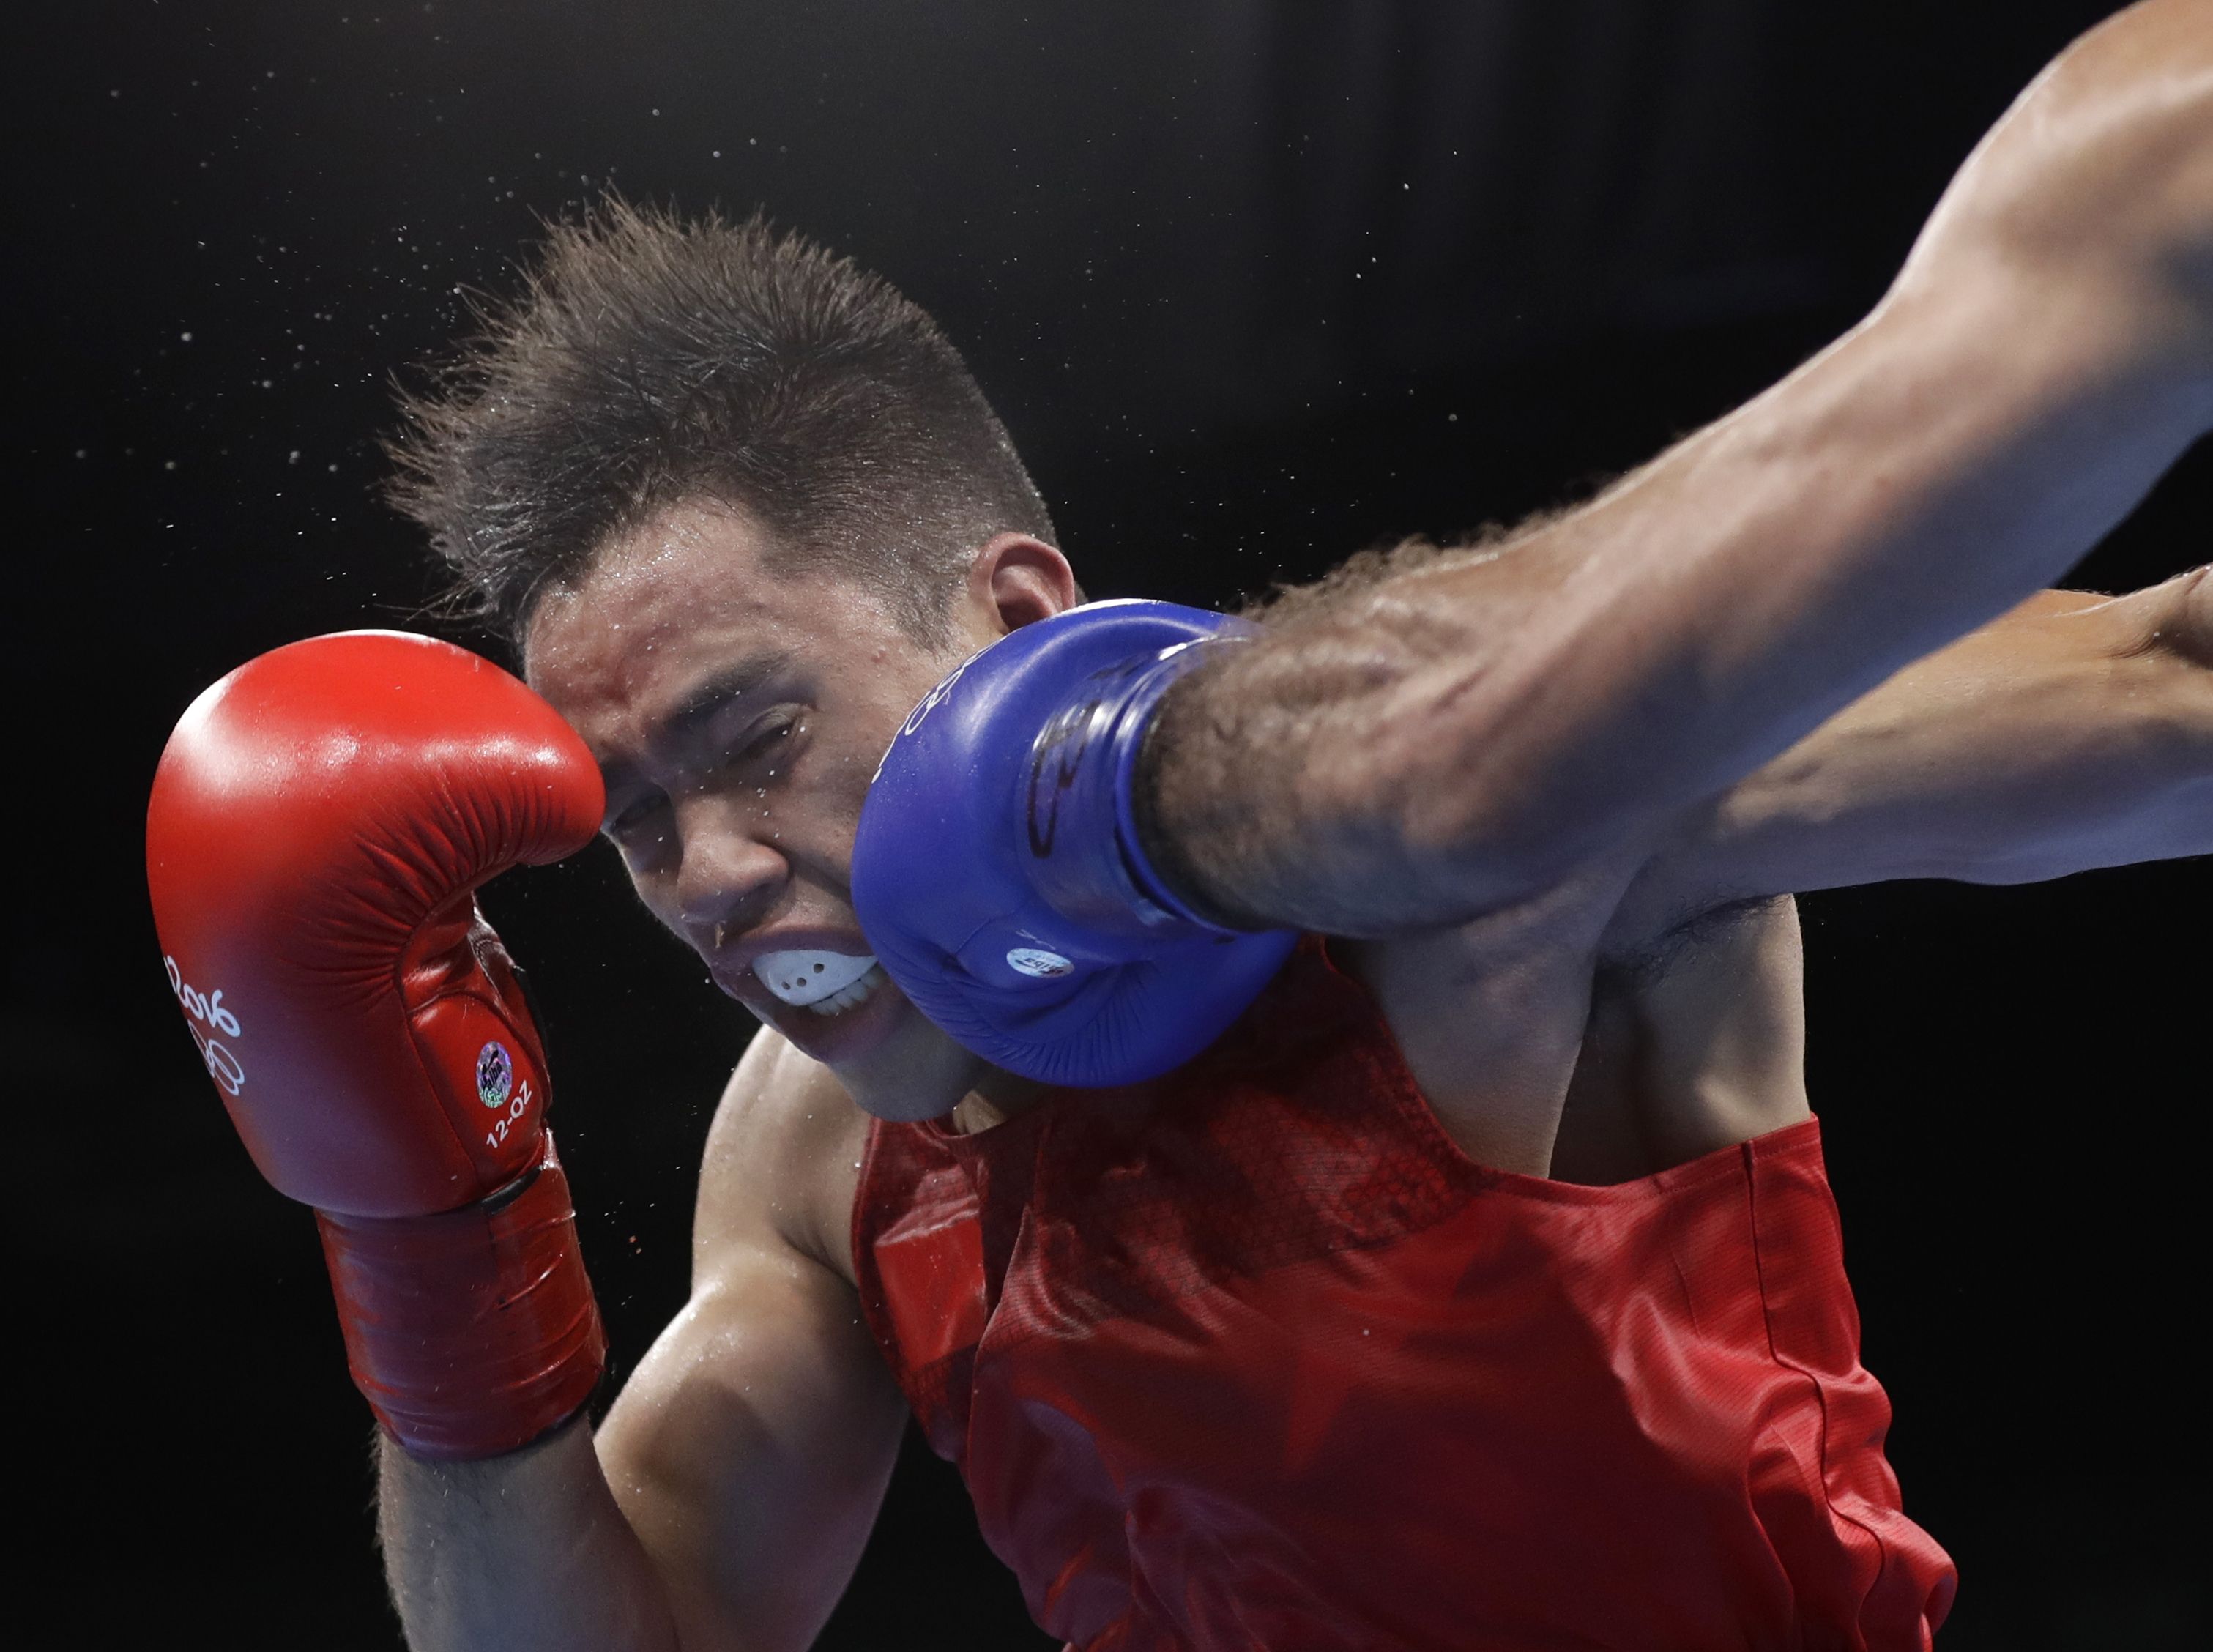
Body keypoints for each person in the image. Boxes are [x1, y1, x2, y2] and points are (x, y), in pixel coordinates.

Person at [144, 2, 2213, 1647]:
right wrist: (433, 1244)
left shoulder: (1480, 847)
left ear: (1013, 618)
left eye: (753, 732)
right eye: (631, 822)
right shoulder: (815, 1146)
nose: (702, 878)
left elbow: (2161, 694)